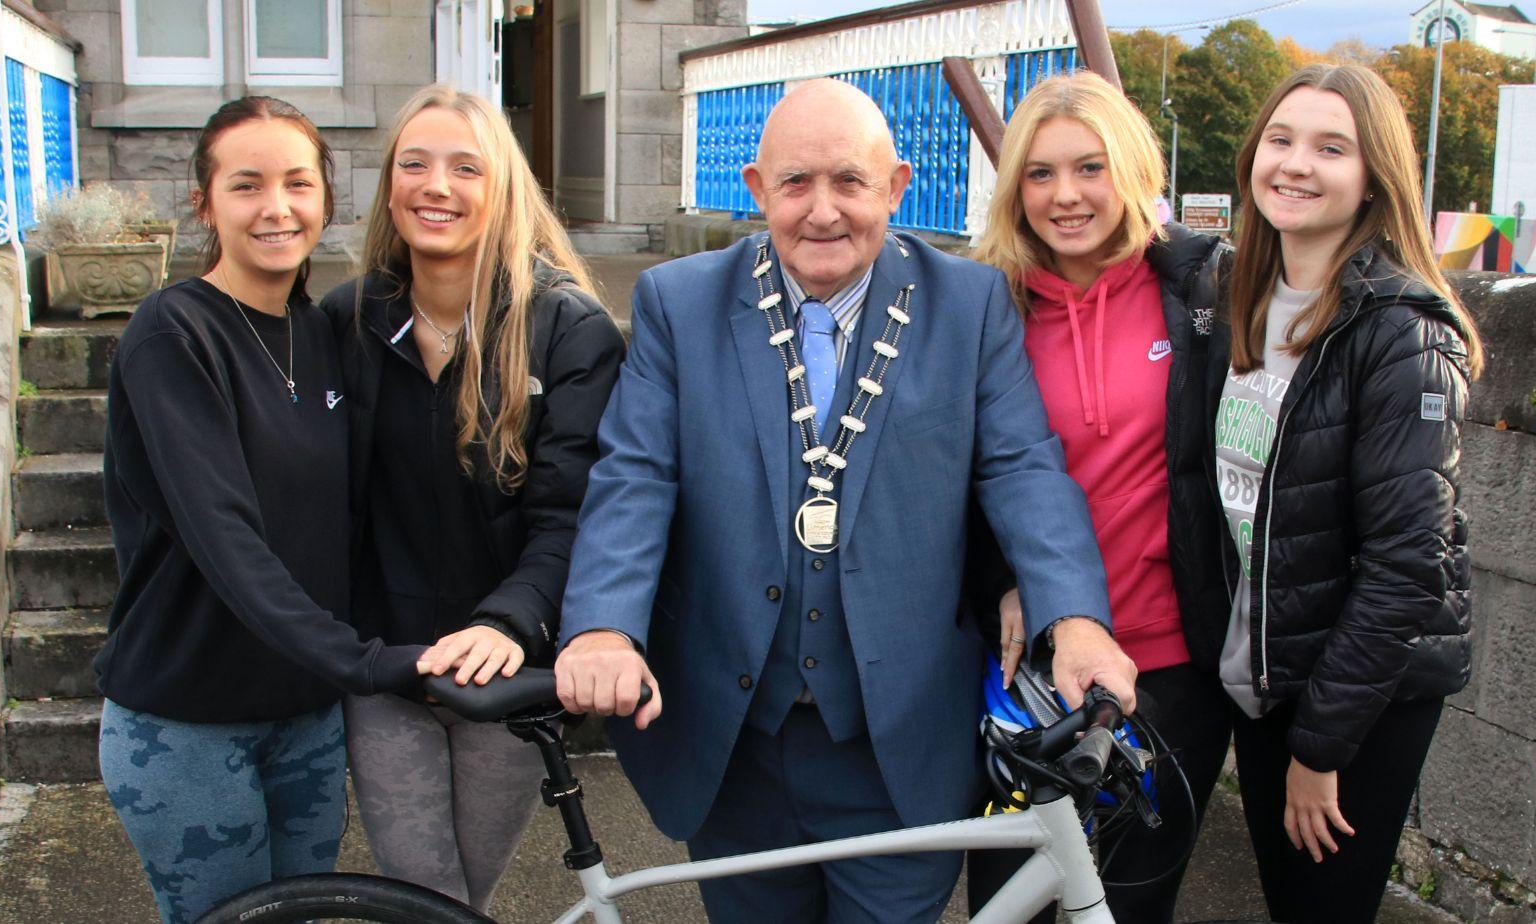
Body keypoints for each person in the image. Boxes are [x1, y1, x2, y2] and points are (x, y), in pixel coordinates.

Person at [551, 78, 1136, 923]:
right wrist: (604, 623)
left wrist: (1074, 619)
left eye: (850, 182)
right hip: (735, 744)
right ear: (755, 188)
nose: (822, 210)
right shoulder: (678, 303)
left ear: (897, 185)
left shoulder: (968, 307)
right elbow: (635, 474)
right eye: (795, 183)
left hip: (898, 745)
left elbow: (1022, 470)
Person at [95, 97, 474, 924]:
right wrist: (373, 662)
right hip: (188, 720)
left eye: (299, 183)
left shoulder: (323, 331)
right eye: (246, 185)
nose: (277, 207)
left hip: (305, 715)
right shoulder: (173, 336)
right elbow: (225, 537)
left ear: (326, 199)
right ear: (205, 204)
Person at [321, 85, 624, 913]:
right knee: (428, 899)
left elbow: (576, 515)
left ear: (502, 190)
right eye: (413, 164)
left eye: (465, 167)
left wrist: (507, 622)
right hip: (387, 667)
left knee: (454, 901)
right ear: (389, 186)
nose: (436, 185)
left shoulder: (569, 331)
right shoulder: (347, 321)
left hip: (506, 673)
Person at [1205, 64, 1482, 924]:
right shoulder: (1242, 300)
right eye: (1281, 140)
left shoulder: (1403, 331)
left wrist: (1320, 749)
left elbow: (1409, 564)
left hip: (1358, 697)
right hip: (1268, 672)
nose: (1296, 164)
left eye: (1332, 147)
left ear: (1373, 179)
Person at [966, 70, 1233, 924]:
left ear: (1130, 172)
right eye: (1039, 173)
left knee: (1131, 904)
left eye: (1090, 167)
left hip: (1170, 665)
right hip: (1032, 669)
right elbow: (953, 480)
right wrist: (1002, 576)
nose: (1065, 195)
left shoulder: (1199, 295)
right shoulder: (985, 306)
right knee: (1015, 904)